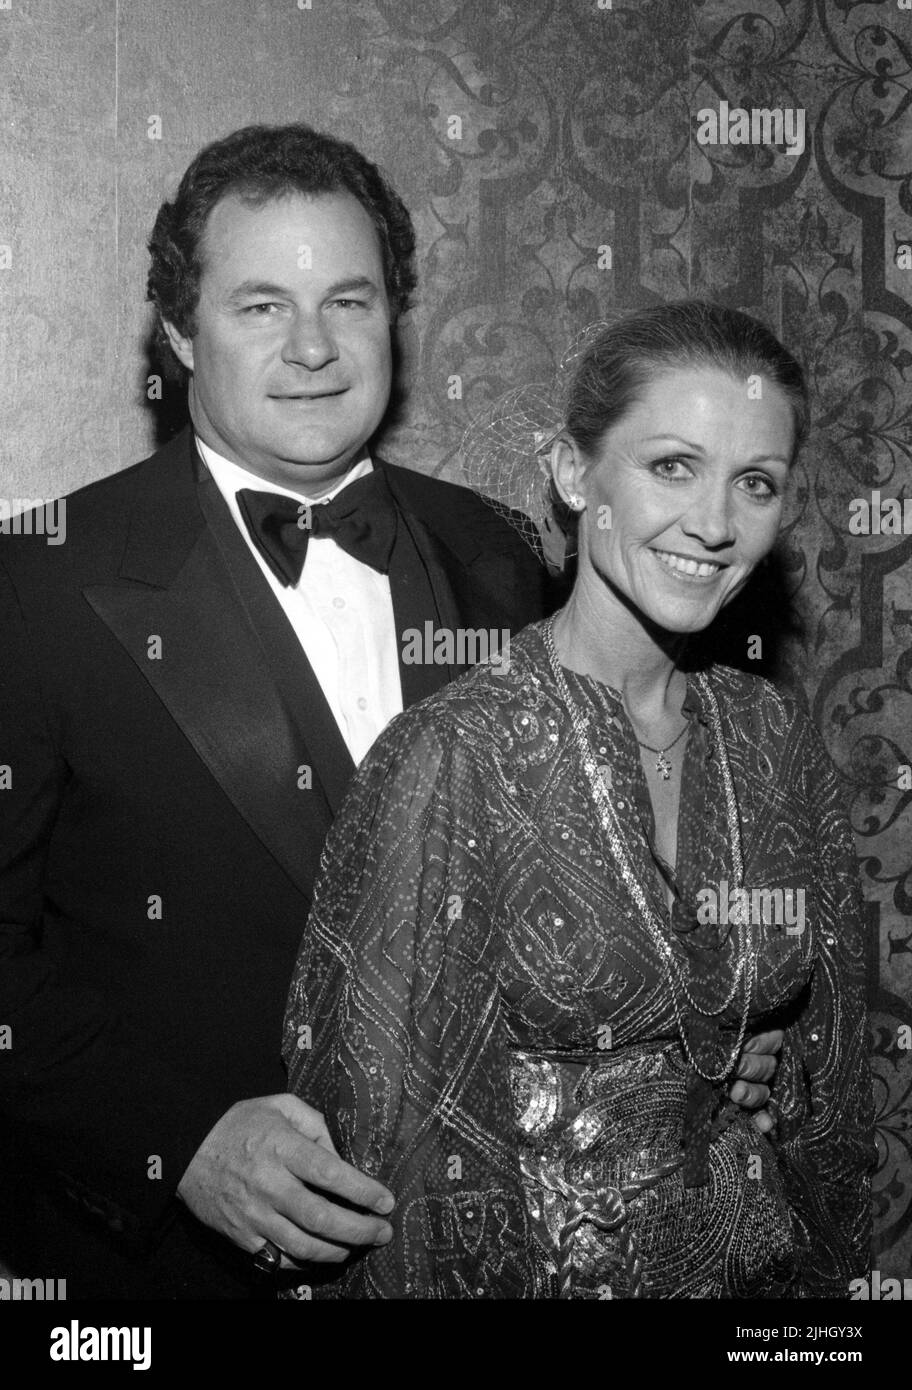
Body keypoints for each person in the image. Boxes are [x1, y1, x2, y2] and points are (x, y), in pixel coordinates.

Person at [0, 123, 778, 1298]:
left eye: (349, 302)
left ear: (396, 323)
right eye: (261, 305)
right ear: (177, 335)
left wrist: (706, 1038)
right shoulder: (40, 581)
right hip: (167, 1277)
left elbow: (600, 877)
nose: (313, 346)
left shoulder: (506, 555)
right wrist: (180, 1141)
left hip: (496, 1255)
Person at [283, 300, 875, 1299]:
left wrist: (751, 1069)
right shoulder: (456, 754)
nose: (716, 523)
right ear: (572, 472)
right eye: (672, 467)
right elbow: (402, 1169)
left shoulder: (771, 740)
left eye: (757, 483)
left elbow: (838, 1078)